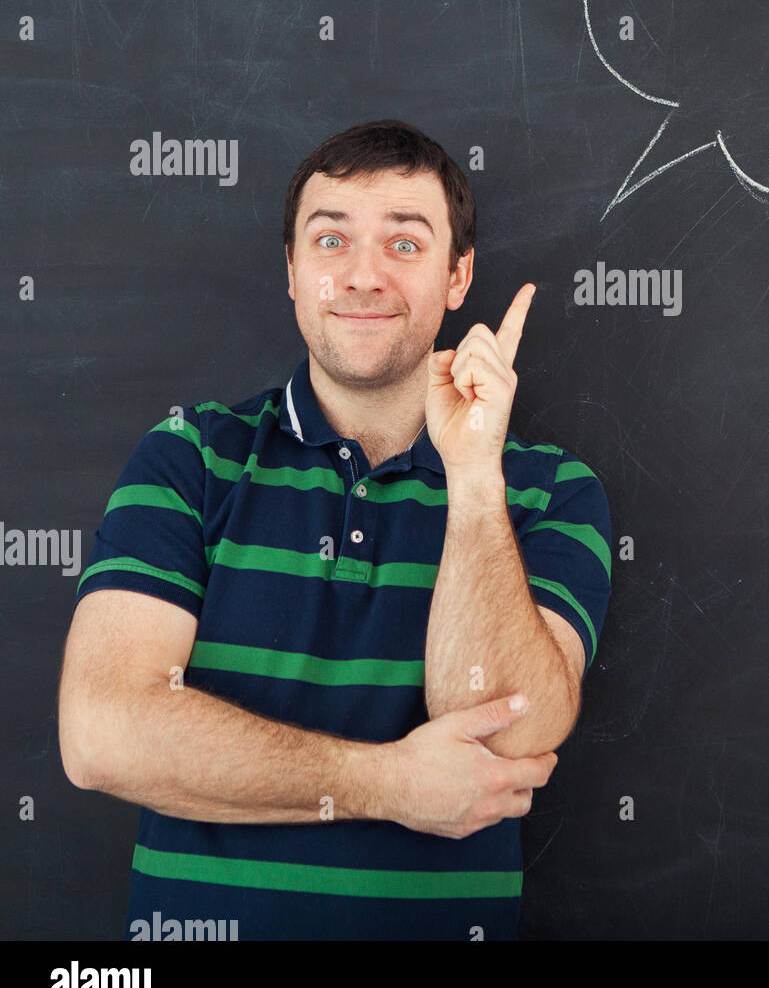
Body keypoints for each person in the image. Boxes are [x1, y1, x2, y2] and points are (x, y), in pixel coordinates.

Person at [57, 119, 612, 940]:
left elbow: (509, 725)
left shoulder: (546, 491)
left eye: (404, 244)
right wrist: (388, 783)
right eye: (330, 240)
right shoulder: (190, 458)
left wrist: (470, 479)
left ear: (458, 276)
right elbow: (101, 734)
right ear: (292, 270)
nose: (361, 276)